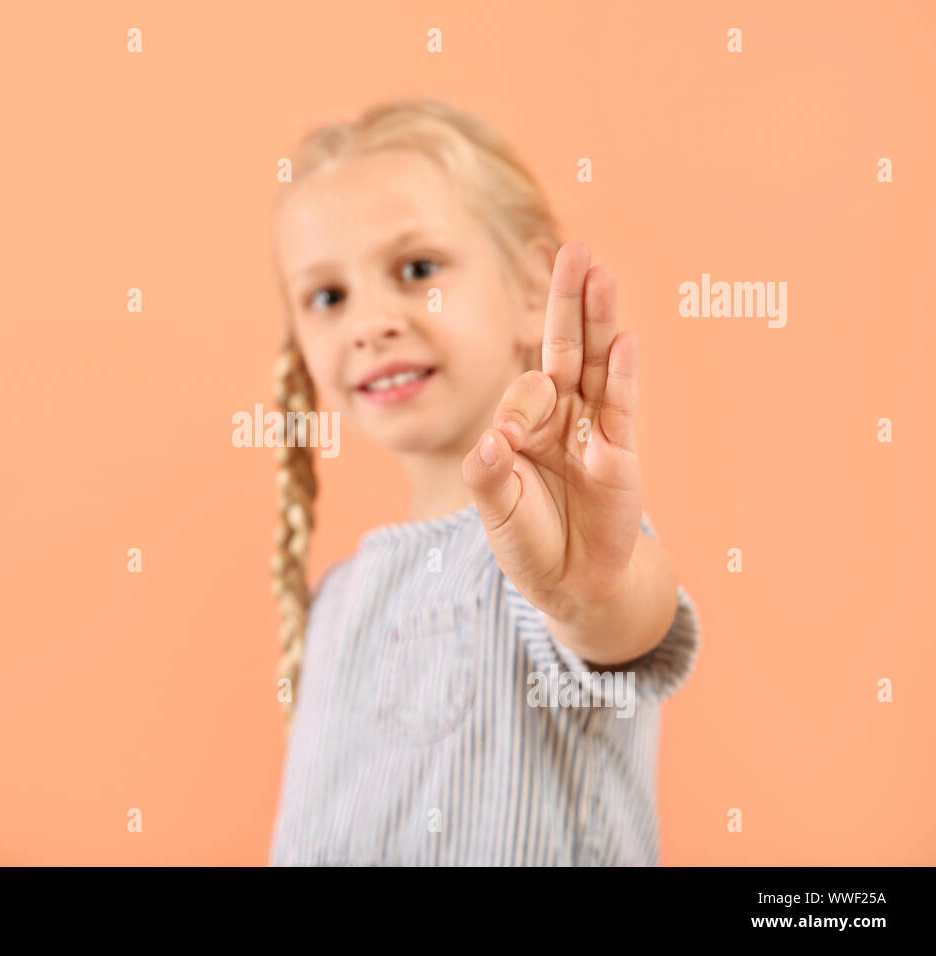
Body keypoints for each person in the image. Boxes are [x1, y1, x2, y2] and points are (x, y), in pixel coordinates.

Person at [268, 99, 701, 865]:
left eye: (417, 270)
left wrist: (589, 595)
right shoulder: (335, 600)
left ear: (534, 288)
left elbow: (622, 619)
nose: (369, 322)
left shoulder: (551, 550)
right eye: (328, 296)